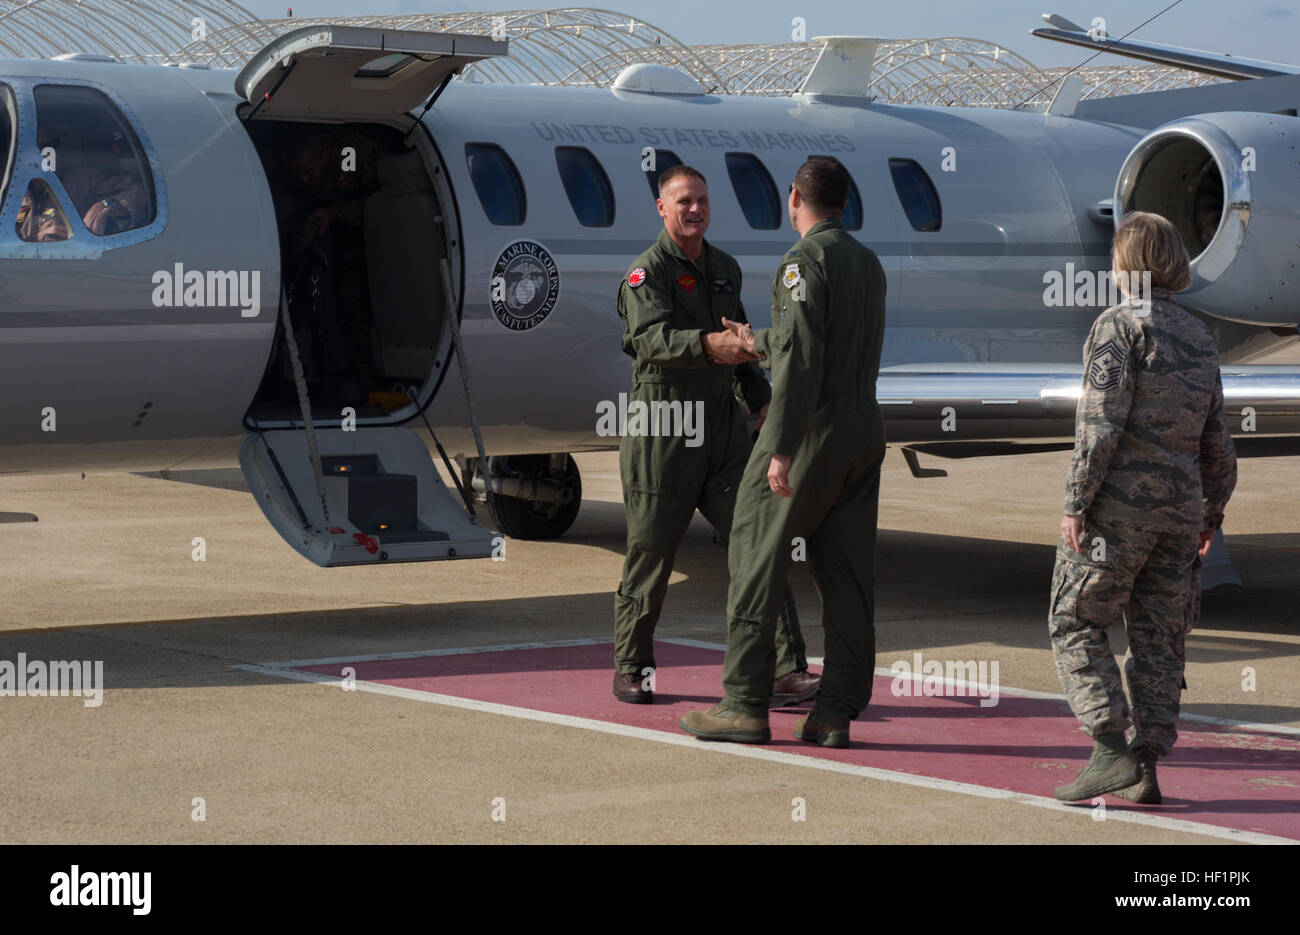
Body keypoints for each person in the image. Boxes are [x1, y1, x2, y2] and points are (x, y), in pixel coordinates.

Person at [679, 157, 887, 746]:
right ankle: (836, 712)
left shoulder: (802, 261)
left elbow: (801, 361)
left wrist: (782, 446)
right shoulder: (866, 263)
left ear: (794, 196)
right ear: (844, 203)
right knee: (847, 576)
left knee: (752, 549)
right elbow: (817, 341)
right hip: (860, 429)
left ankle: (744, 702)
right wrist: (758, 341)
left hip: (811, 428)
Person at [612, 164, 819, 706]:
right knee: (651, 551)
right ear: (662, 208)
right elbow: (648, 340)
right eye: (683, 202)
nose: (695, 210)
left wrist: (763, 398)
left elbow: (740, 342)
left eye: (701, 200)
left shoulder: (724, 268)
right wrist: (708, 346)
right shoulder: (646, 273)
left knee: (758, 544)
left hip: (723, 435)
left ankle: (785, 669)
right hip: (664, 431)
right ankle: (632, 665)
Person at [1049, 210, 1237, 803]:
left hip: (1120, 509)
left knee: (1074, 618)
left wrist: (1077, 502)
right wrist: (1211, 515)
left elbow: (1099, 425)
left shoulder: (1118, 327)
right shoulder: (1200, 337)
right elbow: (1218, 442)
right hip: (1180, 511)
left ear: (1126, 261)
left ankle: (1108, 747)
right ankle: (1147, 764)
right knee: (1160, 636)